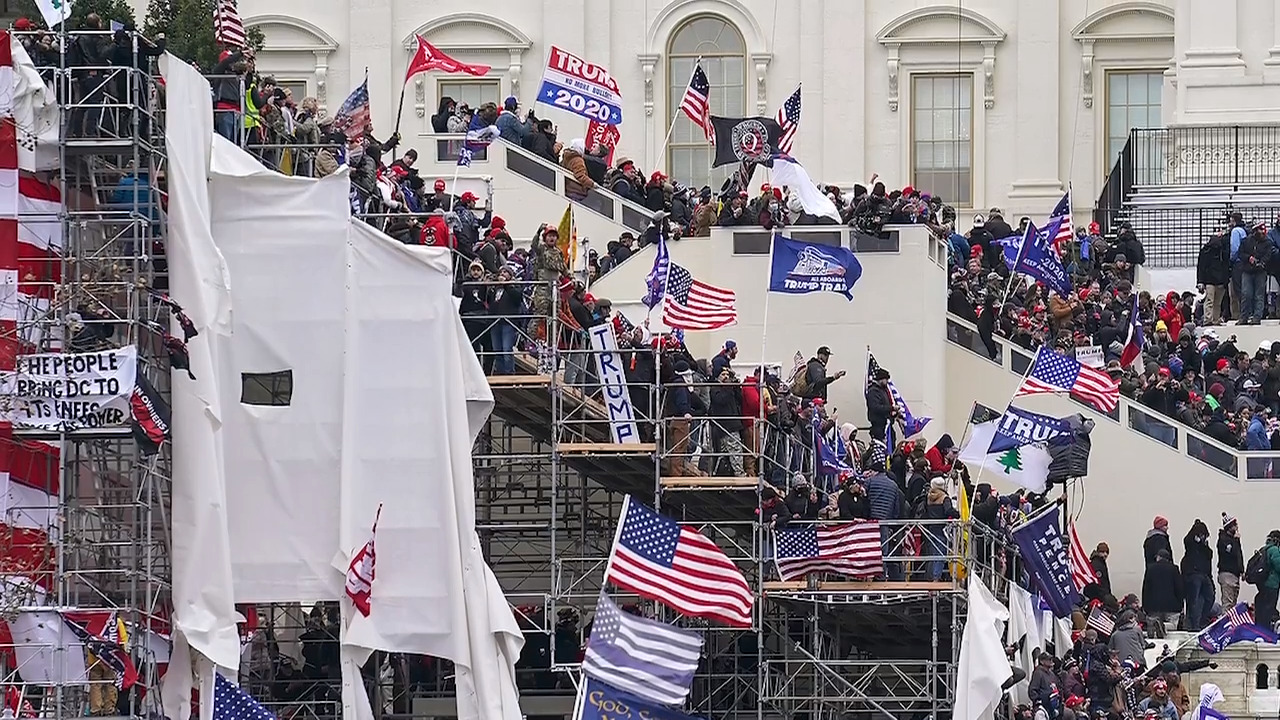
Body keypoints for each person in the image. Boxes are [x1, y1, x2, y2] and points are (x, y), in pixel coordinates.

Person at [1217, 513, 1244, 608]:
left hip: (1235, 574)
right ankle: (1225, 622)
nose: (1237, 527)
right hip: (1227, 573)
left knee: (1233, 605)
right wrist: (1236, 541)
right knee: (1228, 604)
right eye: (1234, 525)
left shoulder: (1234, 540)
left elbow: (1239, 555)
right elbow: (1231, 553)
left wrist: (1241, 570)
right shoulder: (1223, 540)